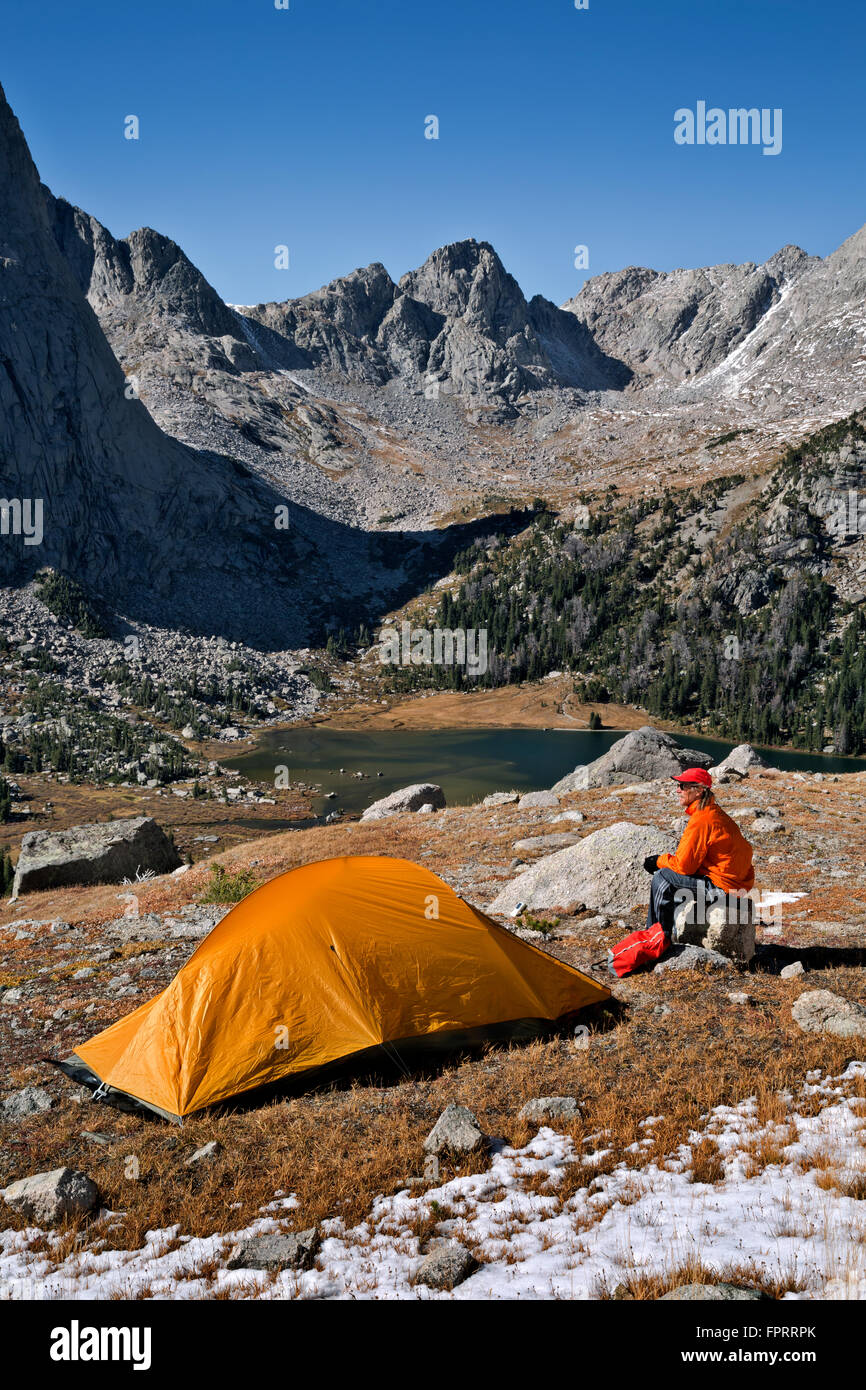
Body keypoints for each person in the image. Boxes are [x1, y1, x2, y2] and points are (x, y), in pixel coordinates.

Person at [643, 767, 755, 941]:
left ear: (699, 790)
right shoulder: (714, 812)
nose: (677, 789)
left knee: (663, 877)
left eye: (682, 785)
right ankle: (670, 932)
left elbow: (684, 866)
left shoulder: (701, 819)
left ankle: (654, 940)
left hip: (724, 889)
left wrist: (658, 861)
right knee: (675, 881)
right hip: (735, 885)